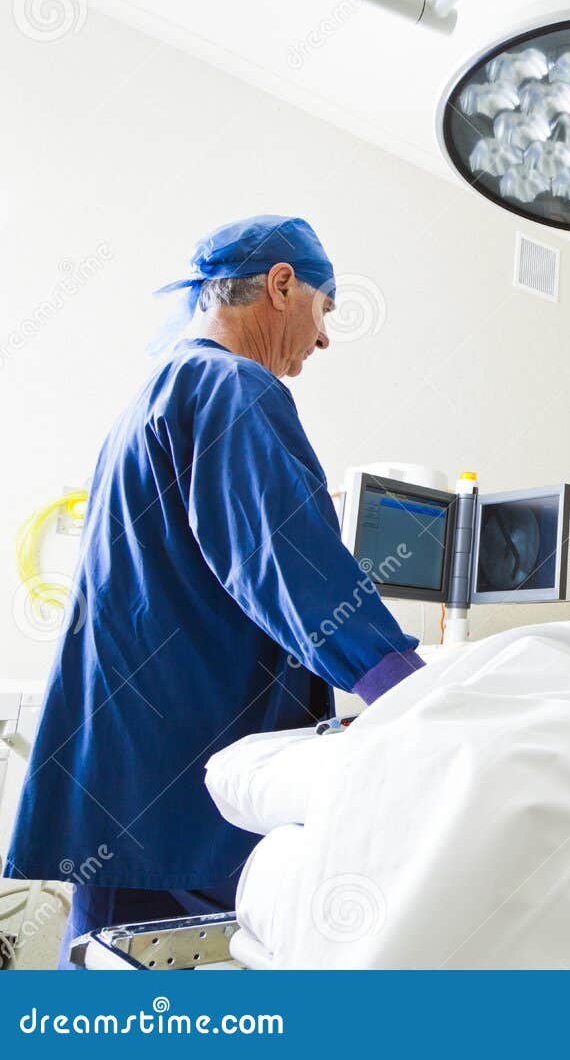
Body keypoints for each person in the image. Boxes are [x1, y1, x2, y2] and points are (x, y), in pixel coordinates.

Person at [3, 216, 426, 966]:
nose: (324, 339)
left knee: (103, 984)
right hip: (193, 789)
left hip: (126, 785)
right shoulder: (228, 385)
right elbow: (284, 557)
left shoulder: (154, 394)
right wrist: (406, 691)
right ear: (282, 285)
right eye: (324, 311)